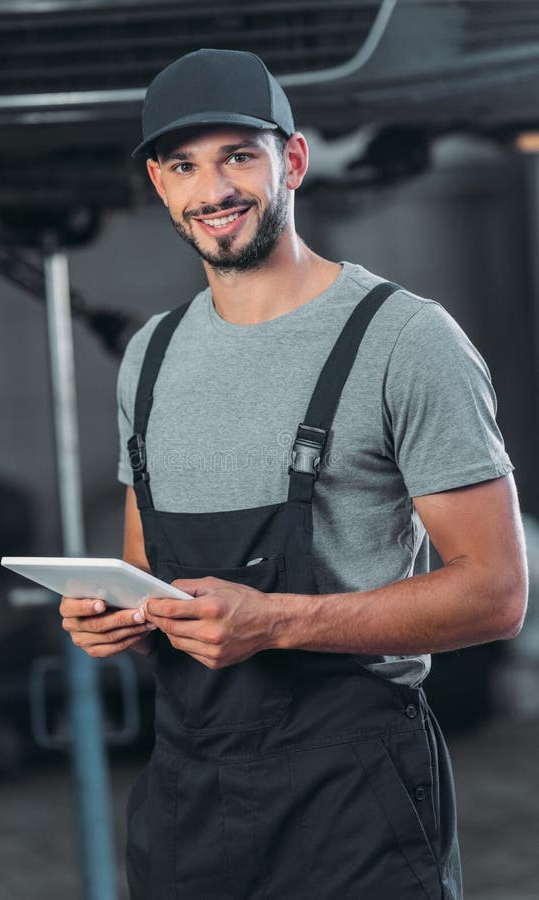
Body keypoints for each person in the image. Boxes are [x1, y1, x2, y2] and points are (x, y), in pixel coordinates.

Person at [59, 49, 528, 900]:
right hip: (188, 795)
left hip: (353, 798)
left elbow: (495, 594)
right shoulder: (150, 356)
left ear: (294, 160)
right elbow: (145, 568)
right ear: (159, 185)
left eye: (238, 156)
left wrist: (273, 622)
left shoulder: (405, 340)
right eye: (183, 166)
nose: (213, 191)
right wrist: (116, 615)